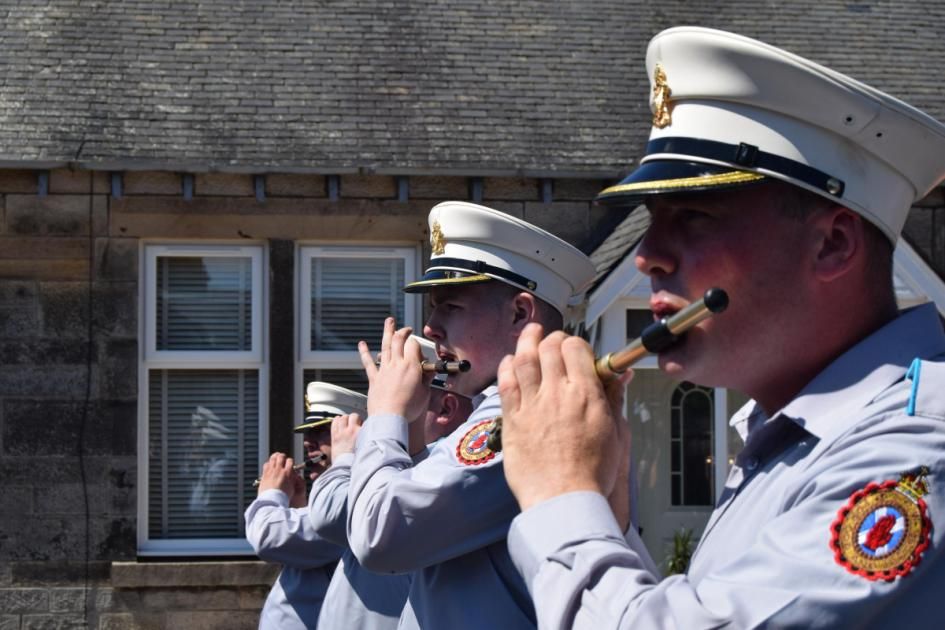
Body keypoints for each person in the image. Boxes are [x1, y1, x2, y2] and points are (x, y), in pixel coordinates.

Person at [497, 26, 945, 628]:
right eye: (654, 219)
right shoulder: (791, 433)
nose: (646, 255)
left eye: (696, 216)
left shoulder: (914, 450)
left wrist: (560, 492)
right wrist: (604, 504)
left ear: (833, 244)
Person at [346, 201, 597, 628]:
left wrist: (385, 414)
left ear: (520, 313)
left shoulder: (527, 422)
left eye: (451, 307)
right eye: (433, 309)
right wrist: (407, 427)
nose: (430, 328)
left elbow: (380, 537)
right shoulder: (503, 413)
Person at [310, 338, 474, 630]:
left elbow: (328, 517)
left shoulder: (448, 461)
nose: (389, 397)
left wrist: (346, 458)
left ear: (446, 409)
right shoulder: (414, 459)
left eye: (406, 389)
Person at [244, 382, 367, 629]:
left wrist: (271, 494)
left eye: (321, 432)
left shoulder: (355, 500)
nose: (308, 443)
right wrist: (297, 506)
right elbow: (305, 556)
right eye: (307, 434)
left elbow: (269, 537)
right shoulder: (336, 502)